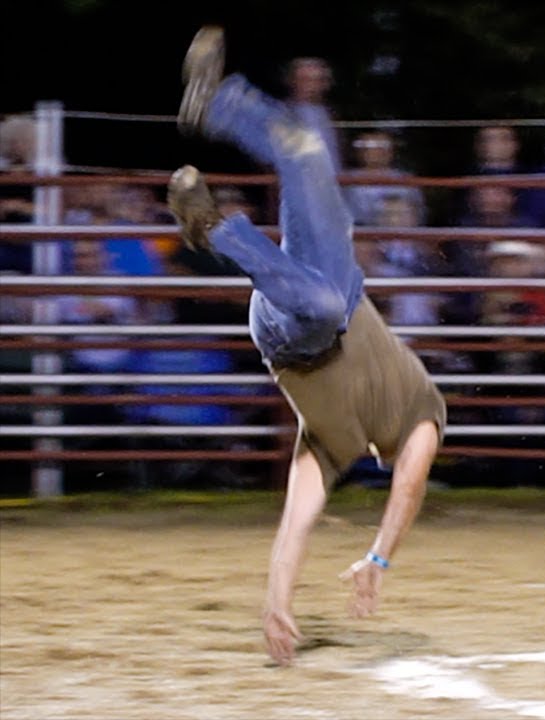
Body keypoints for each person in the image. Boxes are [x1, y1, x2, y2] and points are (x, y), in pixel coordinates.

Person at [168, 26, 447, 667]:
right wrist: (379, 558)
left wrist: (277, 602)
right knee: (309, 151)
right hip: (337, 280)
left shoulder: (327, 448)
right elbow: (410, 484)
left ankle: (213, 231)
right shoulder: (422, 409)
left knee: (321, 307)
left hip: (289, 330)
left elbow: (294, 525)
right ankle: (215, 103)